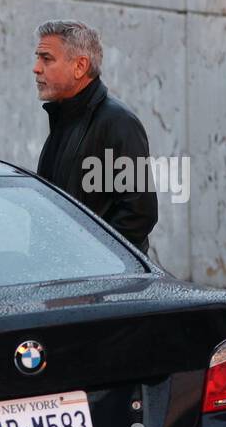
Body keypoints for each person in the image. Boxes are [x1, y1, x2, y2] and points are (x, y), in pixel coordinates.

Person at [33, 20, 158, 254]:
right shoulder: (63, 119)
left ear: (80, 66)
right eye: (37, 57)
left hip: (103, 284)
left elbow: (139, 214)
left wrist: (91, 260)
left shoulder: (119, 123)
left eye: (46, 59)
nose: (36, 68)